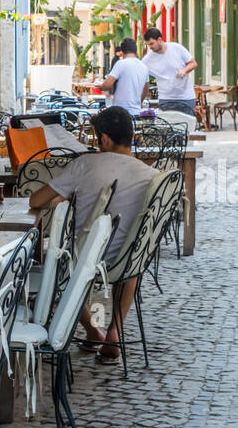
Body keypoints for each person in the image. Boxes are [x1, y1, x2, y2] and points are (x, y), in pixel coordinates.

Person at [26, 106, 158, 362]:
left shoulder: (86, 164)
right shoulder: (151, 175)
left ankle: (91, 330)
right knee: (132, 258)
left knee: (53, 261)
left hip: (83, 259)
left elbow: (36, 200)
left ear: (105, 139)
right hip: (127, 262)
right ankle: (114, 332)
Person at [141, 27, 197, 118]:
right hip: (166, 99)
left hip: (186, 97)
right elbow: (139, 73)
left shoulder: (176, 48)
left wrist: (184, 70)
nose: (150, 47)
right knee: (167, 129)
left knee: (188, 127)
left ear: (159, 39)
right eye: (148, 45)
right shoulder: (147, 59)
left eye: (152, 43)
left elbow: (193, 63)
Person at [101, 37, 148, 115]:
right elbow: (146, 89)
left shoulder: (121, 63)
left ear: (122, 52)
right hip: (136, 112)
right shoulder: (144, 66)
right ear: (135, 51)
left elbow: (107, 85)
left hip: (120, 113)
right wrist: (139, 102)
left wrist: (100, 86)